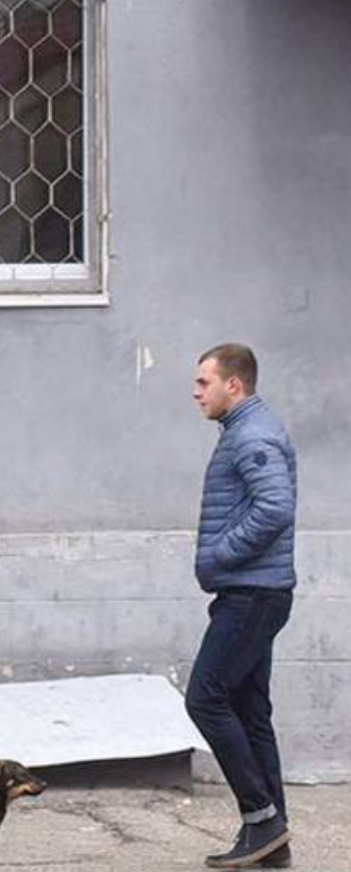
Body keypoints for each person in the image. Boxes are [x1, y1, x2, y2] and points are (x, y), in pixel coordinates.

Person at [187, 343, 298, 870]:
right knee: (251, 712)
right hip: (256, 590)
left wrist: (219, 552)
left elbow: (275, 507)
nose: (195, 391)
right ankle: (272, 844)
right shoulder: (243, 431)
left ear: (235, 384)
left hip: (253, 592)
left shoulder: (252, 434)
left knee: (205, 698)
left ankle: (262, 817)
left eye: (203, 382)